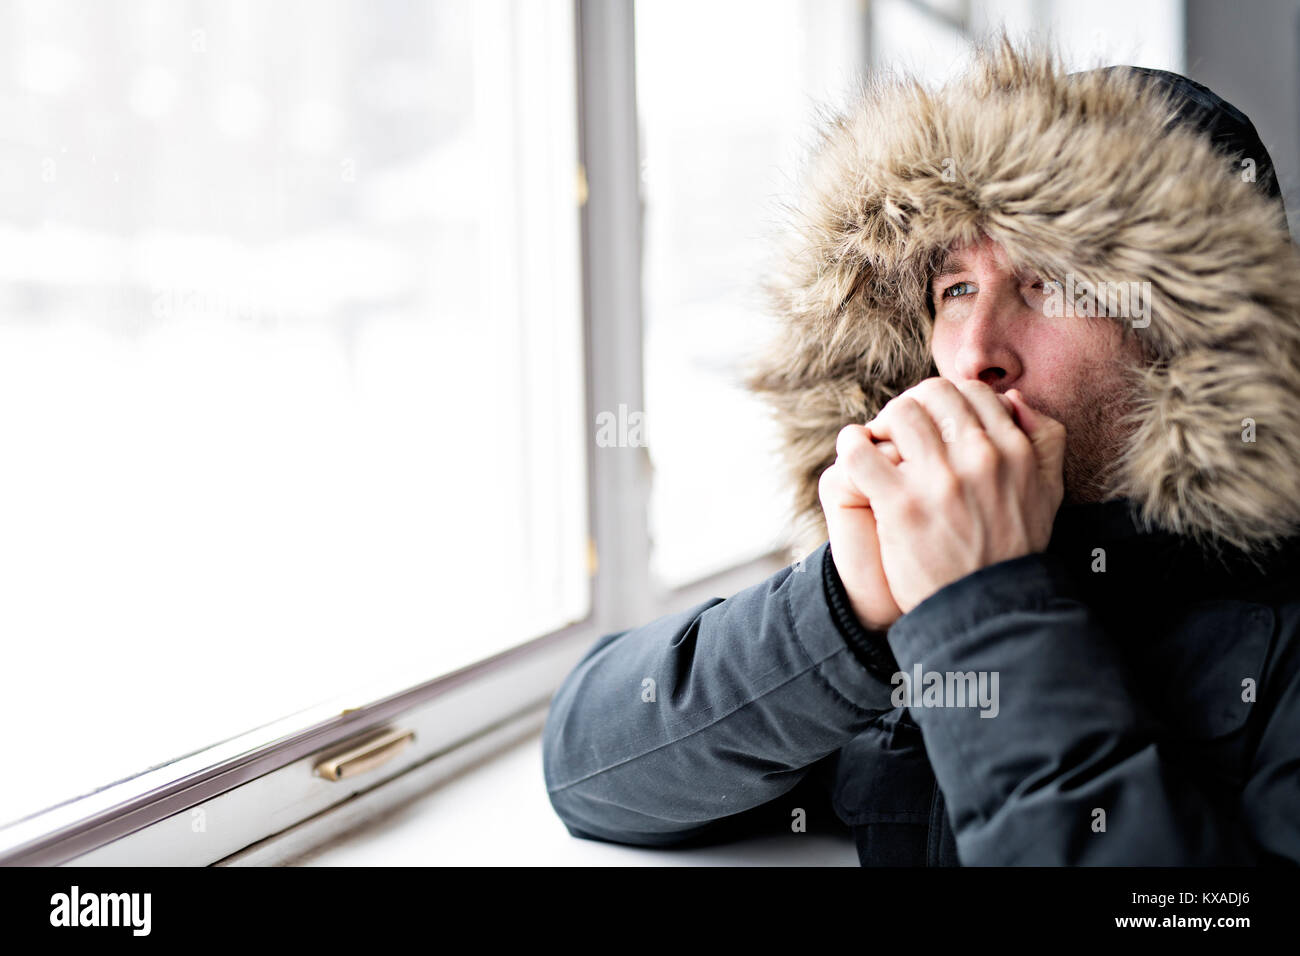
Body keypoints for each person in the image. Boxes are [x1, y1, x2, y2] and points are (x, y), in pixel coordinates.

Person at [541, 38, 1300, 865]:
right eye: (955, 290)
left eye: (1049, 282)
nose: (976, 350)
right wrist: (842, 612)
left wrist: (984, 608)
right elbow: (589, 771)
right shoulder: (908, 558)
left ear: (1189, 332)